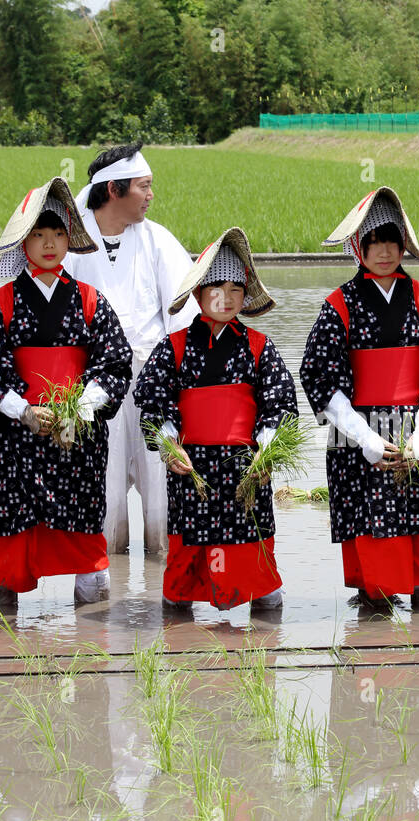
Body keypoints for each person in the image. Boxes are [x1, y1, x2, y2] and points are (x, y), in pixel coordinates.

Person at [300, 187, 419, 608]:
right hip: (357, 437)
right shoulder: (338, 305)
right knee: (373, 541)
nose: (384, 251)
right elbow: (320, 378)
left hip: (418, 434)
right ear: (358, 246)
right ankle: (376, 640)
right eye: (374, 242)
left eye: (392, 241)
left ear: (404, 245)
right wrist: (366, 438)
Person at [0, 178, 132, 610]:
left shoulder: (91, 301)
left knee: (81, 526)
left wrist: (78, 411)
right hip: (17, 438)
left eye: (57, 234)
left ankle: (92, 639)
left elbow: (115, 364)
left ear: (69, 241)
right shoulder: (0, 304)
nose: (48, 243)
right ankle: (2, 632)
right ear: (24, 243)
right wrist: (23, 411)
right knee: (12, 525)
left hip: (76, 437)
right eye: (39, 234)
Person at [134, 228, 299, 614]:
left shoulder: (260, 347)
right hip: (191, 472)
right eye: (215, 289)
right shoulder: (173, 348)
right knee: (182, 579)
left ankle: (261, 653)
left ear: (245, 295)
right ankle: (181, 651)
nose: (225, 299)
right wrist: (168, 446)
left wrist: (267, 454)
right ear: (197, 294)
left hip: (247, 471)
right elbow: (154, 406)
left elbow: (279, 407)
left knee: (261, 578)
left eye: (235, 289)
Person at [65, 144, 198, 558]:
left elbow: (183, 314)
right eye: (144, 187)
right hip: (92, 386)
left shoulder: (157, 240)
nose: (150, 195)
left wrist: (183, 382)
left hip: (152, 381)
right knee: (101, 483)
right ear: (114, 190)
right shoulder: (69, 243)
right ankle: (104, 582)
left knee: (162, 481)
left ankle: (165, 576)